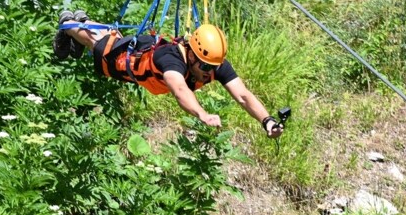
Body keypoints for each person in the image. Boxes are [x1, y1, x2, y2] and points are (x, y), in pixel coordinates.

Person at [58, 12, 285, 137]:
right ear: (192, 53)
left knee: (109, 38)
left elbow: (243, 95)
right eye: (204, 65)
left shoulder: (213, 63)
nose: (208, 72)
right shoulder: (170, 59)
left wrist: (267, 121)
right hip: (130, 63)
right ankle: (69, 24)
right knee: (100, 47)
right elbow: (179, 89)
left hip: (147, 50)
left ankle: (84, 20)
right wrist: (202, 114)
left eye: (212, 66)